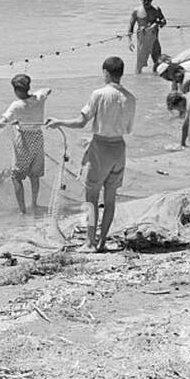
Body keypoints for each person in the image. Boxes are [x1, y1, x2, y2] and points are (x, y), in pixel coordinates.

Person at [46, 56, 136, 252]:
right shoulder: (130, 98)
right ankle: (103, 241)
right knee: (110, 198)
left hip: (100, 148)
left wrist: (58, 122)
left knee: (91, 197)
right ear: (121, 73)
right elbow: (127, 128)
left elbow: (81, 122)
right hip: (119, 148)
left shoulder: (99, 93)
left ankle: (90, 242)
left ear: (105, 72)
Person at [0, 74, 52, 214]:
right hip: (38, 138)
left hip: (24, 141)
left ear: (16, 90)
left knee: (16, 176)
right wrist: (35, 95)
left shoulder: (16, 106)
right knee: (35, 175)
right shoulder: (39, 98)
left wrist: (13, 121)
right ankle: (34, 204)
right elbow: (48, 89)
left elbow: (1, 124)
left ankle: (22, 211)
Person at [127, 0, 167, 74]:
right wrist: (130, 41)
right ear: (141, 0)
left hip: (154, 39)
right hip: (142, 40)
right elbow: (131, 26)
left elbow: (164, 21)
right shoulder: (136, 11)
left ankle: (155, 80)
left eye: (148, 1)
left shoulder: (156, 9)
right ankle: (138, 80)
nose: (146, 3)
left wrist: (157, 23)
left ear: (151, 0)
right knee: (140, 64)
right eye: (144, 0)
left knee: (158, 61)